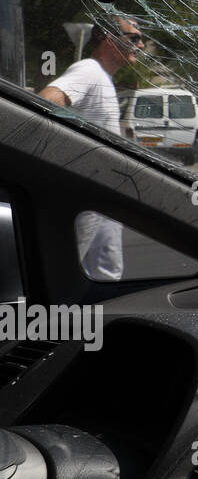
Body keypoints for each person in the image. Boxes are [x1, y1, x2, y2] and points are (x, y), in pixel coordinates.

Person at [37, 16, 146, 281]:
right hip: (83, 196)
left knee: (102, 276)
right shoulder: (88, 71)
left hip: (102, 199)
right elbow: (44, 104)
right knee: (60, 277)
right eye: (134, 38)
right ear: (109, 39)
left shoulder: (103, 78)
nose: (141, 46)